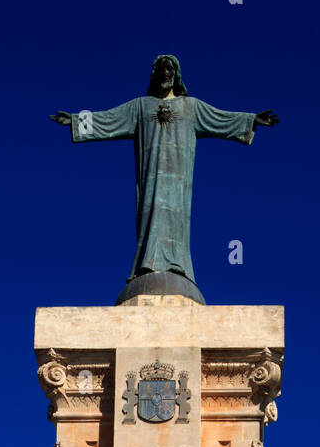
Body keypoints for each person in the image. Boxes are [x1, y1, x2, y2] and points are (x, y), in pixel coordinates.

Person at [50, 55, 279, 301]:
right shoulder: (140, 106)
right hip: (150, 175)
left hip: (179, 179)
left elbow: (220, 118)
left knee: (177, 219)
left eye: (169, 68)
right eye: (160, 68)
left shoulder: (191, 107)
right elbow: (110, 119)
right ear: (154, 74)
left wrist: (251, 120)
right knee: (149, 214)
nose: (165, 71)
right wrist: (76, 121)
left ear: (176, 75)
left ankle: (178, 265)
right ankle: (145, 265)